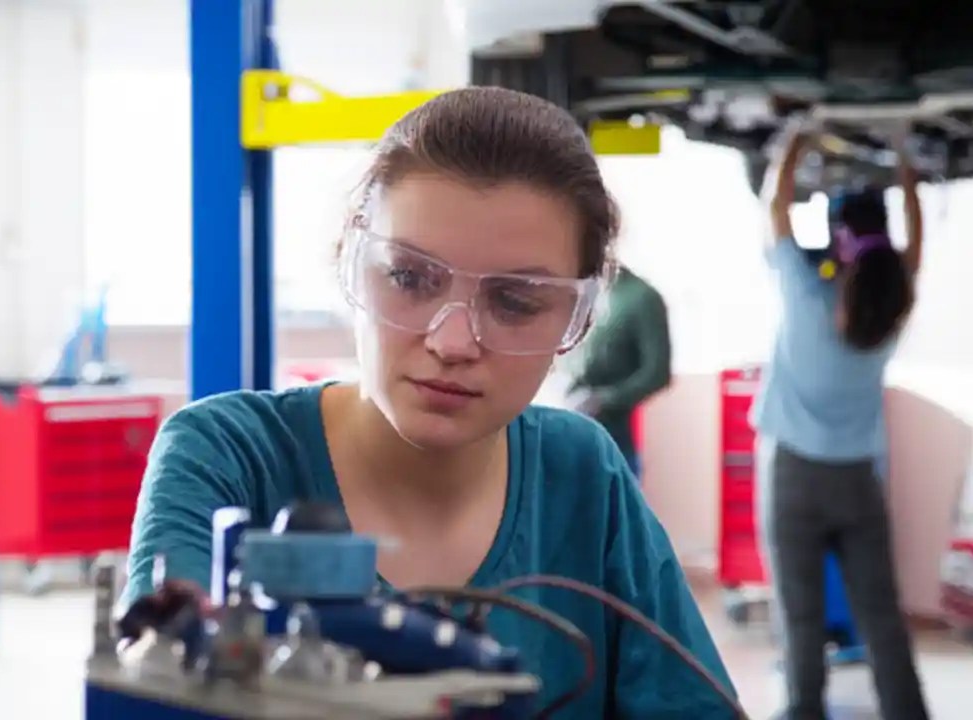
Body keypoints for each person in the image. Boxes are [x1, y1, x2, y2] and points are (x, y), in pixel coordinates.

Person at [122, 87, 737, 715]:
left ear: (574, 322)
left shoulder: (583, 473)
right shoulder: (225, 456)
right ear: (350, 263)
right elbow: (166, 678)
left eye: (516, 302)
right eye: (409, 278)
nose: (452, 342)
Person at [752, 126, 930, 719]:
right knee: (880, 615)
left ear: (842, 247)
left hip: (796, 478)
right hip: (859, 482)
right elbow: (913, 247)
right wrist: (906, 164)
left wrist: (795, 140)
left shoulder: (807, 294)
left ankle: (803, 710)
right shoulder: (893, 311)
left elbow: (775, 207)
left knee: (799, 617)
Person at [564, 262, 671, 477]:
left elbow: (657, 373)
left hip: (610, 434)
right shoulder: (578, 290)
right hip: (563, 426)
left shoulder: (640, 298)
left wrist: (603, 399)